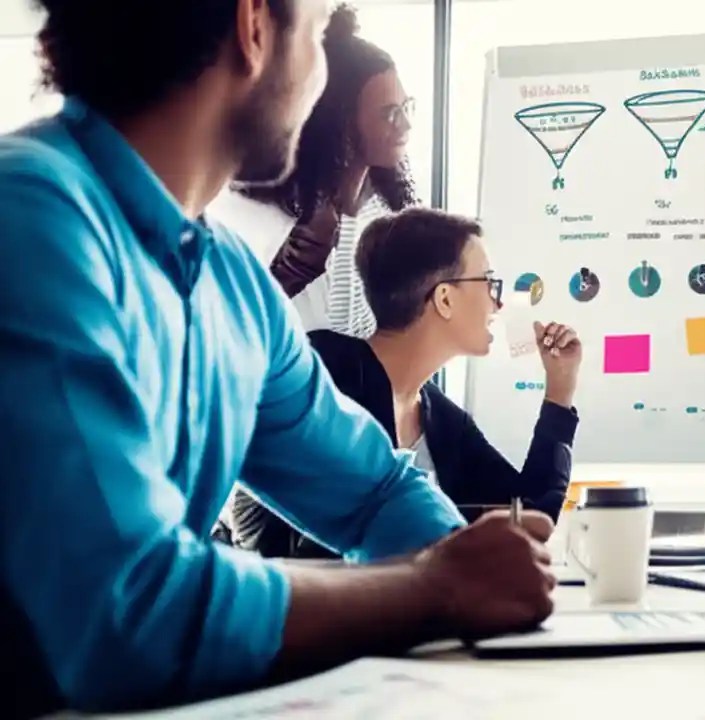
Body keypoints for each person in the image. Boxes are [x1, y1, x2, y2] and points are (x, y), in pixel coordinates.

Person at [0, 2, 552, 717]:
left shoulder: (231, 280)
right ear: (254, 25)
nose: (321, 78)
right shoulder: (31, 219)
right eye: (317, 34)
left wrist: (476, 566)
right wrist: (436, 588)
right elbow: (127, 610)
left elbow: (373, 491)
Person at [232, 208, 583, 558]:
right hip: (282, 588)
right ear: (444, 299)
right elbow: (278, 536)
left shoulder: (443, 420)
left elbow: (529, 517)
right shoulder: (325, 369)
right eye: (489, 282)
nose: (498, 302)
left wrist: (560, 389)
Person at [210, 3, 415, 337]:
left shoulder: (385, 206)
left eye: (407, 108)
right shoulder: (281, 215)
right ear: (342, 120)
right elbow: (236, 324)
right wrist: (293, 272)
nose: (406, 125)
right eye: (390, 113)